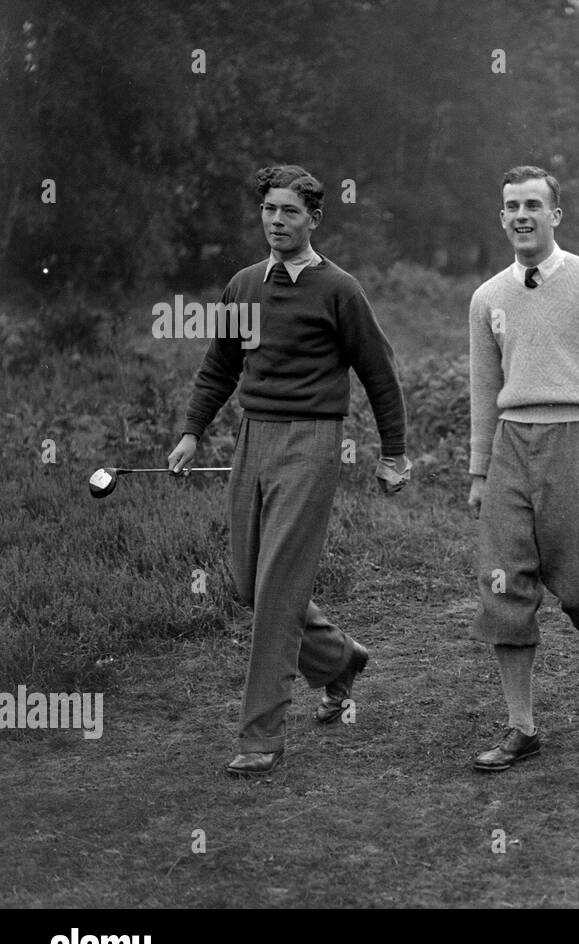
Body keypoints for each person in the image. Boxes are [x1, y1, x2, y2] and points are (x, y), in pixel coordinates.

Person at [169, 164, 411, 778]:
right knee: (250, 584)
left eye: (290, 213)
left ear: (314, 219)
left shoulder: (341, 291)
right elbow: (219, 366)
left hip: (313, 442)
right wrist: (192, 432)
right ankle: (338, 660)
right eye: (269, 211)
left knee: (278, 594)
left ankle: (261, 738)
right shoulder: (244, 285)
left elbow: (379, 374)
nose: (277, 222)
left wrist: (393, 453)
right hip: (253, 438)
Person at [467, 165, 579, 772]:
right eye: (511, 206)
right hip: (513, 448)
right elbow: (483, 388)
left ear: (555, 215)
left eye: (533, 206)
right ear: (502, 217)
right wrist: (477, 471)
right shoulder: (487, 297)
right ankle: (522, 727)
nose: (522, 215)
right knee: (505, 582)